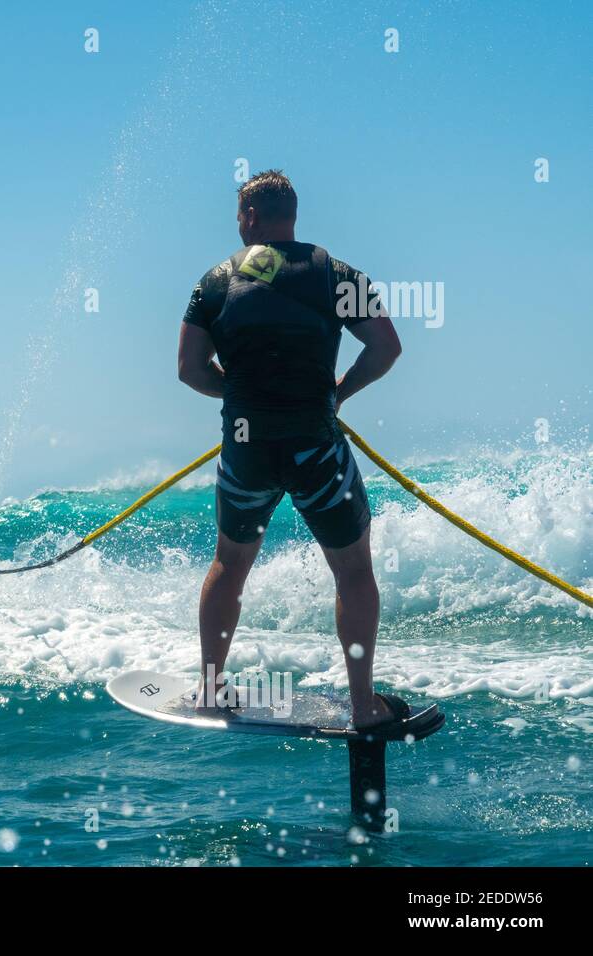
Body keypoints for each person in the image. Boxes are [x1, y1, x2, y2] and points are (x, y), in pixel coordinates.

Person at [177, 170, 404, 730]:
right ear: (292, 214)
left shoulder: (214, 281)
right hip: (315, 447)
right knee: (352, 573)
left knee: (230, 565)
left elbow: (188, 370)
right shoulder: (336, 274)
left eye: (238, 216)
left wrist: (235, 393)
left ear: (251, 217)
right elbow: (386, 347)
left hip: (246, 451)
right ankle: (362, 706)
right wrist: (336, 394)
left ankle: (210, 690)